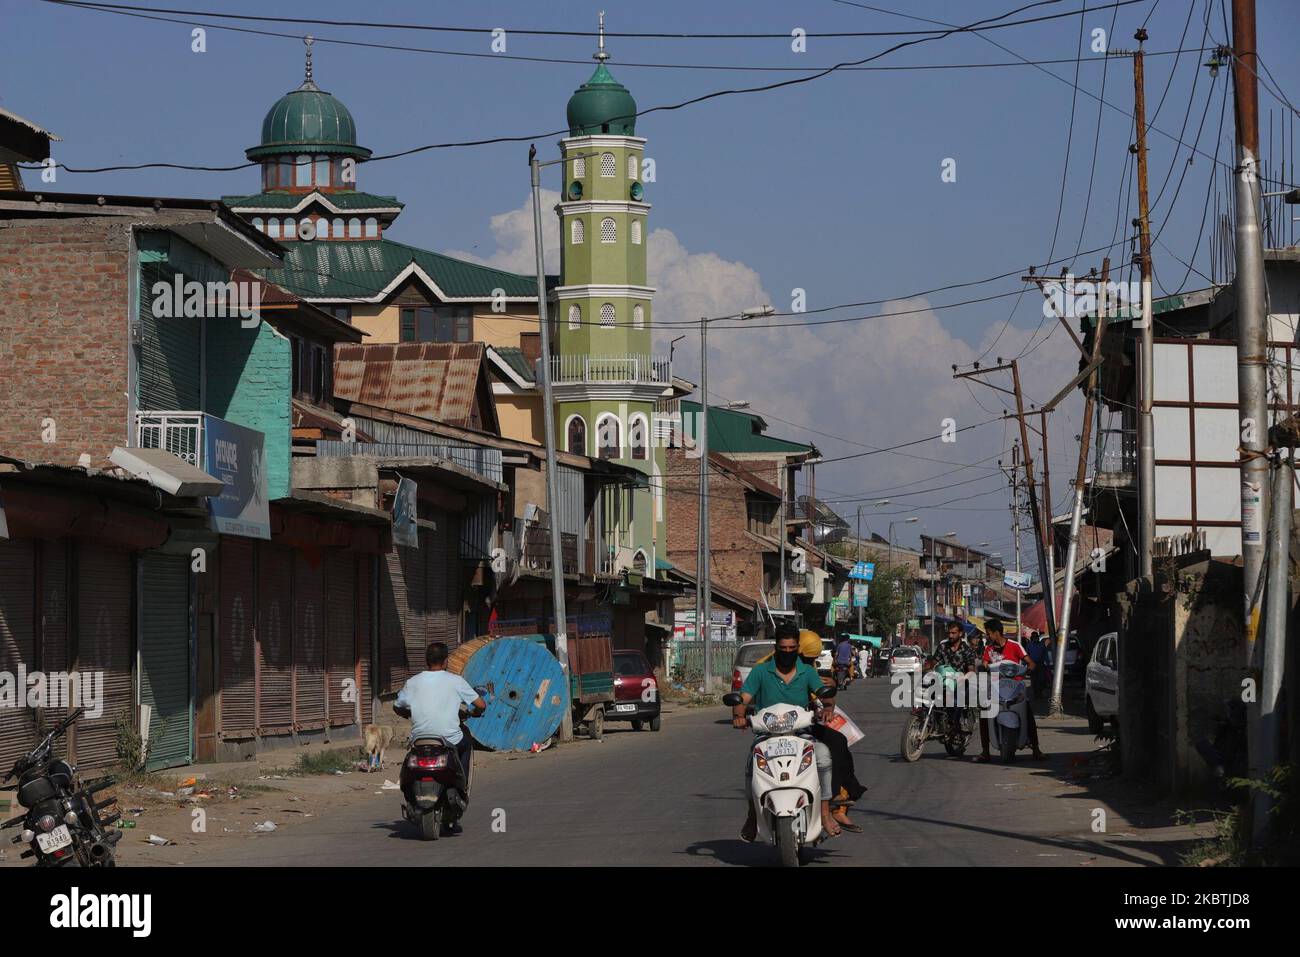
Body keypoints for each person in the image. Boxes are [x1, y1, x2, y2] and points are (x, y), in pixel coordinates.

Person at [734, 624, 839, 842]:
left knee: (823, 756)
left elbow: (824, 695)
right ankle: (752, 816)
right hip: (767, 737)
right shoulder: (761, 671)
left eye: (793, 648)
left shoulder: (807, 671)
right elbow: (742, 699)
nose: (788, 652)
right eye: (784, 648)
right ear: (776, 647)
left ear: (798, 648)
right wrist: (739, 715)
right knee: (751, 766)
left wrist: (828, 708)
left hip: (801, 735)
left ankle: (825, 813)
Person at [394, 641, 488, 827]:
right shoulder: (455, 681)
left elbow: (397, 706)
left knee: (408, 759)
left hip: (420, 741)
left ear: (426, 661)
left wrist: (409, 713)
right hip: (449, 739)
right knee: (466, 742)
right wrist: (473, 713)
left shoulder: (413, 682)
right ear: (445, 662)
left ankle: (412, 797)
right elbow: (481, 705)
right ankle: (462, 787)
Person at [974, 619, 1045, 762]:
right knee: (984, 714)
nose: (987, 637)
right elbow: (985, 663)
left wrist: (1029, 669)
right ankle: (985, 751)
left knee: (1028, 713)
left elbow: (1030, 662)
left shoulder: (1015, 646)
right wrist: (984, 667)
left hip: (1015, 688)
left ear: (996, 633)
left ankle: (1036, 749)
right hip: (995, 688)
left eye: (988, 634)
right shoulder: (989, 649)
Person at [1026, 631, 1048, 700]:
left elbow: (1045, 654)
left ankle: (1040, 692)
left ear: (1038, 638)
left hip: (1040, 664)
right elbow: (1026, 655)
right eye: (1034, 637)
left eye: (1036, 637)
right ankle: (1036, 694)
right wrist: (1027, 665)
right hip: (1032, 664)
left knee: (1042, 679)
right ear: (1032, 638)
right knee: (1034, 680)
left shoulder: (1042, 645)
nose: (1035, 639)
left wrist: (1047, 662)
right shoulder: (1029, 645)